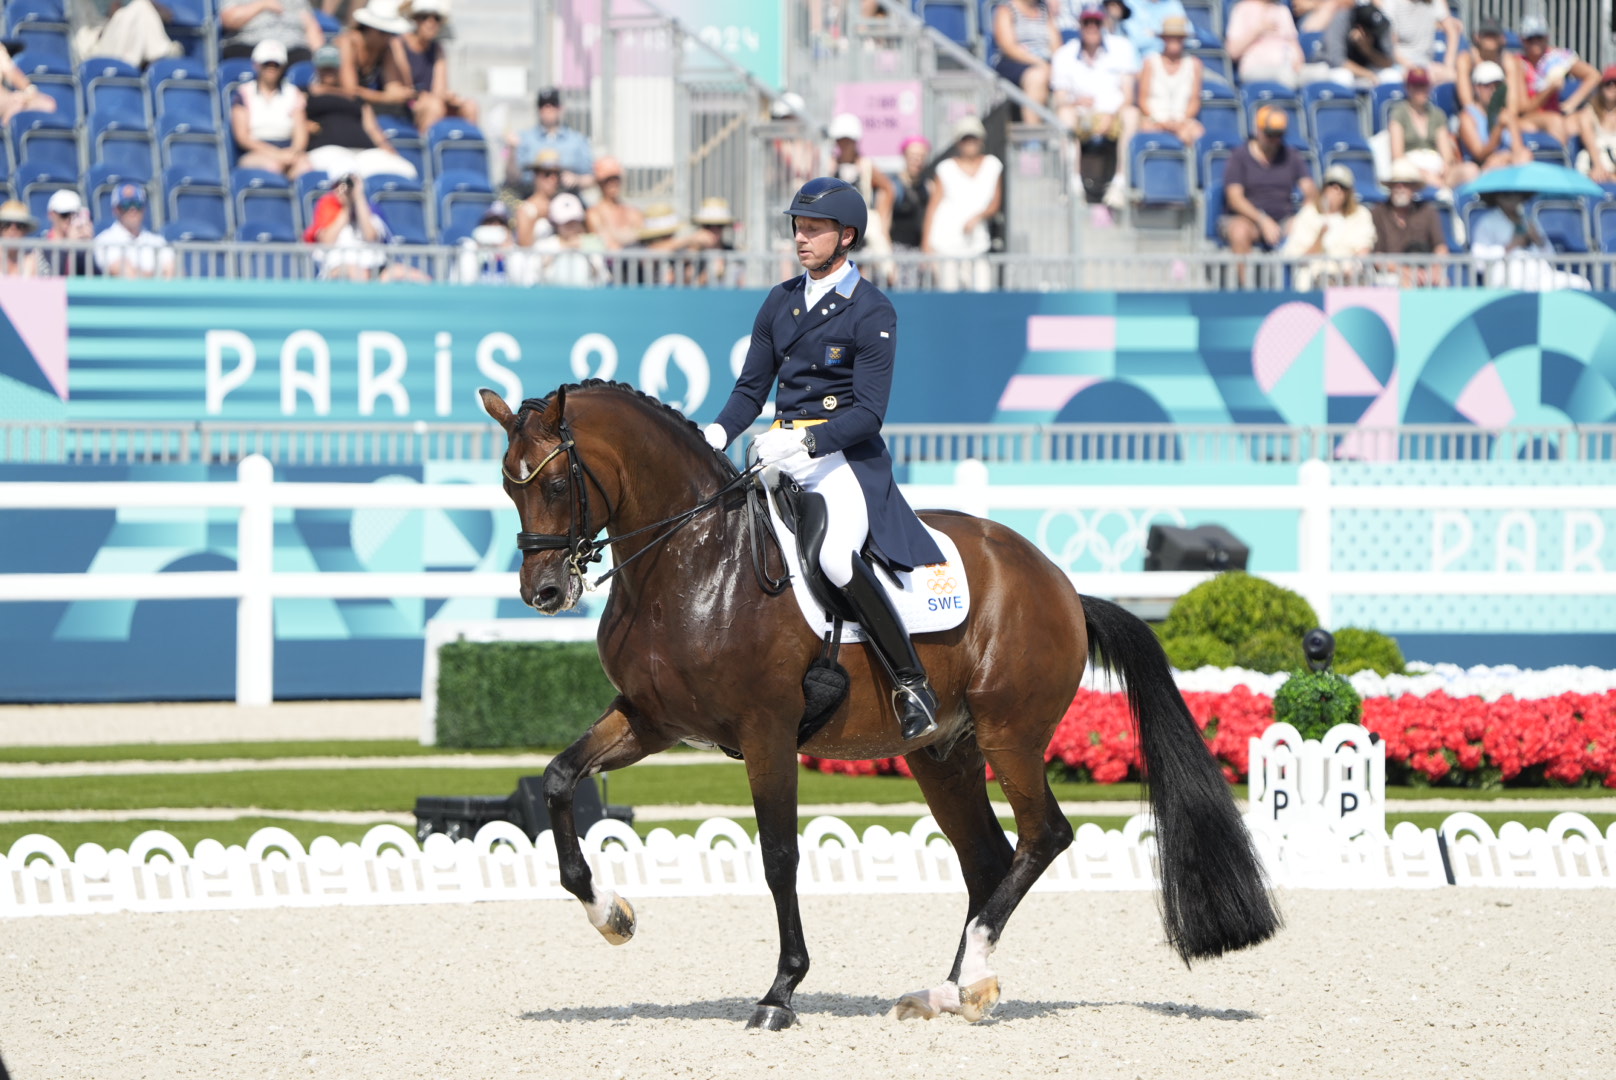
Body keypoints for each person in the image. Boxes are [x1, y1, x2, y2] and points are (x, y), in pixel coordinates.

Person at [702, 176, 945, 741]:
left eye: (814, 229)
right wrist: (714, 433)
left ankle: (912, 682)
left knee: (834, 556)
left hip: (841, 459)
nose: (801, 238)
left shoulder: (870, 309)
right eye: (798, 227)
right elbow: (749, 391)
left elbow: (868, 413)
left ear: (847, 236)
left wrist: (807, 443)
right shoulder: (780, 300)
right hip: (776, 450)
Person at [1051, 5, 1137, 211]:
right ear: (1080, 25)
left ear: (1103, 24)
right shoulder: (1065, 54)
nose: (1092, 27)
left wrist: (1111, 115)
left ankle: (1120, 183)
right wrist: (1076, 102)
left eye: (1096, 22)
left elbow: (1128, 94)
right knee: (1064, 116)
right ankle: (1072, 184)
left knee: (1132, 114)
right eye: (1087, 22)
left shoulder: (1122, 47)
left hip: (1112, 113)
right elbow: (1059, 98)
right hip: (1080, 115)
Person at [303, 45, 417, 179]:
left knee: (407, 171)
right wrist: (305, 125)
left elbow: (372, 128)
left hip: (365, 152)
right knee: (345, 176)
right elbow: (295, 119)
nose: (329, 72)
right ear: (317, 69)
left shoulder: (356, 98)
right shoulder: (306, 94)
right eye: (325, 68)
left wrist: (386, 147)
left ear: (339, 69)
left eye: (332, 68)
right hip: (329, 149)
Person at [1220, 104, 1316, 254]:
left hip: (1284, 219)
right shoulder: (1239, 157)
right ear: (1258, 129)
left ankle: (1295, 277)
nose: (1274, 140)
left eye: (1278, 135)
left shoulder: (1291, 156)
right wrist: (1262, 219)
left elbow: (1310, 191)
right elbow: (1235, 198)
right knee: (1239, 231)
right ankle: (1247, 278)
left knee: (1309, 227)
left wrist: (1300, 218)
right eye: (1269, 134)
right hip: (1247, 218)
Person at [923, 115, 1002, 291]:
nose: (970, 143)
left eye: (973, 138)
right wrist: (926, 245)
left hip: (977, 245)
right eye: (965, 139)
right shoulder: (945, 168)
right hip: (945, 245)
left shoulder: (992, 165)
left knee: (983, 294)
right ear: (958, 142)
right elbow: (933, 207)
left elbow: (995, 204)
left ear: (981, 140)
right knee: (949, 299)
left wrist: (978, 217)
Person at [303, 172, 418, 281]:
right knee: (358, 273)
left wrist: (358, 197)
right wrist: (346, 208)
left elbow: (371, 237)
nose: (344, 188)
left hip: (374, 266)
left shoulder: (369, 209)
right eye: (339, 185)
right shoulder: (327, 206)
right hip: (339, 267)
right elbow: (327, 241)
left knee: (412, 275)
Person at [1470, 189, 1590, 291]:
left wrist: (1538, 240)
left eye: (1517, 195)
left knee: (1581, 284)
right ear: (1497, 198)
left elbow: (1551, 257)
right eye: (1508, 195)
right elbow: (1478, 262)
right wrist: (1508, 247)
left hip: (1539, 273)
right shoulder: (1487, 222)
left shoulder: (1530, 221)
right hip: (1506, 275)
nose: (1514, 199)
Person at [1282, 162, 1375, 287]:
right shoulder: (1308, 214)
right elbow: (1299, 258)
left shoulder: (1360, 214)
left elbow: (1364, 248)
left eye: (1342, 187)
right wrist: (1320, 237)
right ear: (1323, 189)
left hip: (1350, 276)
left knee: (1361, 281)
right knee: (1325, 282)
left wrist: (1353, 268)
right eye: (1331, 185)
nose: (1336, 191)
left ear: (1348, 193)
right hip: (1317, 277)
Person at [231, 40, 312, 178]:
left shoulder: (293, 93)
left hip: (288, 150)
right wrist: (276, 154)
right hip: (256, 151)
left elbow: (300, 132)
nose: (271, 68)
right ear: (256, 65)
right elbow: (243, 137)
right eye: (266, 64)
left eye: (276, 64)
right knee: (273, 167)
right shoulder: (244, 93)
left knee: (306, 169)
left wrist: (294, 152)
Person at [398, 0, 478, 134]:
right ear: (415, 19)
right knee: (434, 106)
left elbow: (439, 89)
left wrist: (450, 98)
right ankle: (426, 151)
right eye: (425, 17)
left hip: (431, 100)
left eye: (437, 18)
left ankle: (466, 152)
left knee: (470, 106)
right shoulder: (400, 44)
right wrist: (423, 97)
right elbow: (404, 85)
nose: (431, 23)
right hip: (407, 103)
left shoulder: (437, 50)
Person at [826, 113, 894, 272]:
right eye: (841, 140)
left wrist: (882, 218)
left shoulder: (866, 165)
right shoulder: (829, 165)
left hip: (863, 220)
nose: (844, 145)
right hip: (836, 220)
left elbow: (888, 188)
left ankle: (891, 280)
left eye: (848, 140)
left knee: (880, 249)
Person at [1515, 15, 1597, 145]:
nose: (1535, 42)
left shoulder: (1556, 58)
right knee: (1554, 121)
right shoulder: (1518, 64)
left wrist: (1571, 103)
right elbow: (1524, 109)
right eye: (1530, 39)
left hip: (1556, 114)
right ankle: (1561, 162)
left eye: (1539, 37)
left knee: (1584, 118)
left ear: (1546, 38)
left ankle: (1598, 164)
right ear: (1523, 41)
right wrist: (1550, 89)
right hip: (1528, 119)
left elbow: (1593, 75)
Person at [1371, 159, 1448, 285]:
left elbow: (1440, 247)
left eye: (1405, 184)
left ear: (1414, 187)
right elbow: (1377, 257)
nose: (1400, 188)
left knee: (1443, 282)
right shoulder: (1378, 213)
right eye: (1396, 183)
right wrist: (1405, 271)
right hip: (1390, 274)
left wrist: (1435, 269)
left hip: (1424, 271)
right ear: (1390, 186)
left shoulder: (1428, 211)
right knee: (1404, 283)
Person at [1386, 67, 1465, 190]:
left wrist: (1445, 167)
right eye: (1416, 87)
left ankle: (1444, 190)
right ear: (1408, 88)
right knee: (1401, 167)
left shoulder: (1437, 114)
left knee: (1470, 170)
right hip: (1411, 166)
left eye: (1424, 86)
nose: (1421, 91)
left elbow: (1446, 154)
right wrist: (1423, 173)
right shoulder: (1398, 113)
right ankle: (1441, 190)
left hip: (1436, 165)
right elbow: (1397, 155)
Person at [336, 0, 414, 117]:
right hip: (339, 106)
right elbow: (350, 91)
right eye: (383, 32)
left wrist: (403, 93)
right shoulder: (347, 43)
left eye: (391, 33)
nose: (387, 37)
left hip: (365, 107)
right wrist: (385, 97)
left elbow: (392, 85)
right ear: (368, 28)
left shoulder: (386, 48)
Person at [511, 87, 593, 193]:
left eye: (553, 104)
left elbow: (592, 177)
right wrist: (512, 150)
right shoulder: (524, 138)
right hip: (531, 196)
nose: (548, 109)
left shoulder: (577, 140)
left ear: (561, 108)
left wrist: (577, 180)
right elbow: (512, 178)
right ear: (538, 109)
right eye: (543, 105)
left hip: (567, 197)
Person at [1136, 16, 1203, 144]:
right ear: (1164, 39)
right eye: (1170, 37)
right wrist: (1160, 121)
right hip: (1154, 119)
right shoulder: (1150, 62)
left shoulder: (1194, 64)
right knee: (1145, 129)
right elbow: (1143, 99)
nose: (1174, 41)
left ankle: (1189, 163)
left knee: (1196, 133)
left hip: (1182, 120)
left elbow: (1195, 100)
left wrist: (1181, 121)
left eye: (1178, 37)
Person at [1456, 60, 1530, 173]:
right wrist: (1499, 129)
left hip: (1507, 163)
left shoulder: (1506, 114)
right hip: (1482, 168)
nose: (1493, 90)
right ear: (1477, 88)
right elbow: (1480, 155)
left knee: (1525, 154)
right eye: (1487, 86)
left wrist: (1507, 157)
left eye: (1497, 86)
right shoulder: (1467, 117)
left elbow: (1518, 149)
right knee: (1496, 162)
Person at [92, 184, 176, 279]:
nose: (133, 210)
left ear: (144, 209)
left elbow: (174, 274)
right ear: (116, 210)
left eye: (137, 204)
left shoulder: (158, 241)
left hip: (159, 294)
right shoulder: (104, 240)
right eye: (126, 205)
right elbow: (128, 276)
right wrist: (159, 275)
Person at [71, 0, 179, 70]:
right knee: (138, 6)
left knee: (140, 7)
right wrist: (112, 20)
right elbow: (84, 47)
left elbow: (168, 15)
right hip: (96, 52)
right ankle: (162, 55)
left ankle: (158, 57)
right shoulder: (79, 3)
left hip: (123, 48)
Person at [992, 0, 1062, 107]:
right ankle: (1033, 123)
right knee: (1037, 76)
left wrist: (1055, 66)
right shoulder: (1006, 9)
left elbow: (1056, 46)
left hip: (1045, 62)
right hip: (1014, 62)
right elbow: (1008, 46)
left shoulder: (1044, 10)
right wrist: (1040, 63)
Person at [1225, 0, 1303, 88]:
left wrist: (1297, 61)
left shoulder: (1282, 10)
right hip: (1255, 68)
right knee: (1285, 75)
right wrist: (1258, 30)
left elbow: (1294, 44)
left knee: (1320, 72)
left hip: (1289, 67)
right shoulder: (1242, 9)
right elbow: (1232, 52)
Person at [219, 0, 322, 66]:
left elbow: (311, 27)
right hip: (250, 44)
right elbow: (229, 20)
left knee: (309, 68)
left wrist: (320, 57)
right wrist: (262, 4)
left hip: (293, 48)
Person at [535, 192, 607, 287]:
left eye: (574, 221)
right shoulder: (544, 245)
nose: (571, 226)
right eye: (565, 222)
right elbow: (534, 279)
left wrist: (586, 253)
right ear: (556, 223)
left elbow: (602, 279)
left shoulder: (593, 243)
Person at [1380, 0, 1459, 84]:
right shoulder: (1392, 3)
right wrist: (1414, 68)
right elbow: (1391, 47)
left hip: (1427, 64)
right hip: (1400, 66)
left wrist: (1448, 66)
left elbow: (1452, 32)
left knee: (1455, 77)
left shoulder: (1435, 2)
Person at [1455, 16, 1522, 115]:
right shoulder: (1466, 59)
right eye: (1486, 34)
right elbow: (1467, 103)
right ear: (1477, 37)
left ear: (1502, 39)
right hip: (1473, 115)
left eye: (1494, 35)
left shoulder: (1508, 61)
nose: (1490, 39)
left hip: (1500, 114)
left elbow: (1512, 104)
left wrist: (1505, 118)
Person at [1323, 0, 1399, 86]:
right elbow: (1337, 60)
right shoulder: (1342, 19)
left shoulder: (1381, 21)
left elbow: (1388, 62)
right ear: (1360, 28)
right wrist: (1367, 74)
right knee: (1343, 77)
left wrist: (1367, 50)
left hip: (1369, 68)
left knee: (1392, 76)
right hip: (1340, 69)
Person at [584, 155, 644, 250]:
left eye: (616, 178)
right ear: (599, 183)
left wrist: (614, 235)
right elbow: (603, 240)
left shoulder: (633, 212)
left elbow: (642, 235)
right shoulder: (593, 213)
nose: (613, 184)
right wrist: (628, 235)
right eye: (607, 180)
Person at [40, 190, 97, 277]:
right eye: (65, 214)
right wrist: (68, 247)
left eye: (75, 215)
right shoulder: (42, 246)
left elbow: (95, 278)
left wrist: (88, 247)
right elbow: (52, 279)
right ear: (52, 215)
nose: (70, 219)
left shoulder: (81, 245)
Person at [0, 39, 57, 125]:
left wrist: (29, 92)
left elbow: (11, 72)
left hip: (10, 102)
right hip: (6, 108)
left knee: (47, 104)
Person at [1575, 66, 1616, 183]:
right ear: (1601, 86)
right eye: (1609, 83)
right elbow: (1590, 143)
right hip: (1595, 167)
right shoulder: (1588, 113)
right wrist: (1598, 167)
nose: (1613, 87)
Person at [514, 147, 562, 246]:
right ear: (536, 175)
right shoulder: (526, 209)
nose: (553, 179)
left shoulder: (563, 204)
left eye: (557, 174)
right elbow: (524, 246)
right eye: (547, 174)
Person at [1108, 0, 1185, 59]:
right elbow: (1133, 39)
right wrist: (1160, 34)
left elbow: (1185, 33)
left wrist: (1155, 34)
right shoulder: (1129, 3)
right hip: (1133, 63)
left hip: (1166, 60)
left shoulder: (1172, 4)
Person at [0, 200, 44, 277]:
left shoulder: (33, 261)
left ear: (25, 230)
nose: (12, 229)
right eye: (6, 224)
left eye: (19, 225)